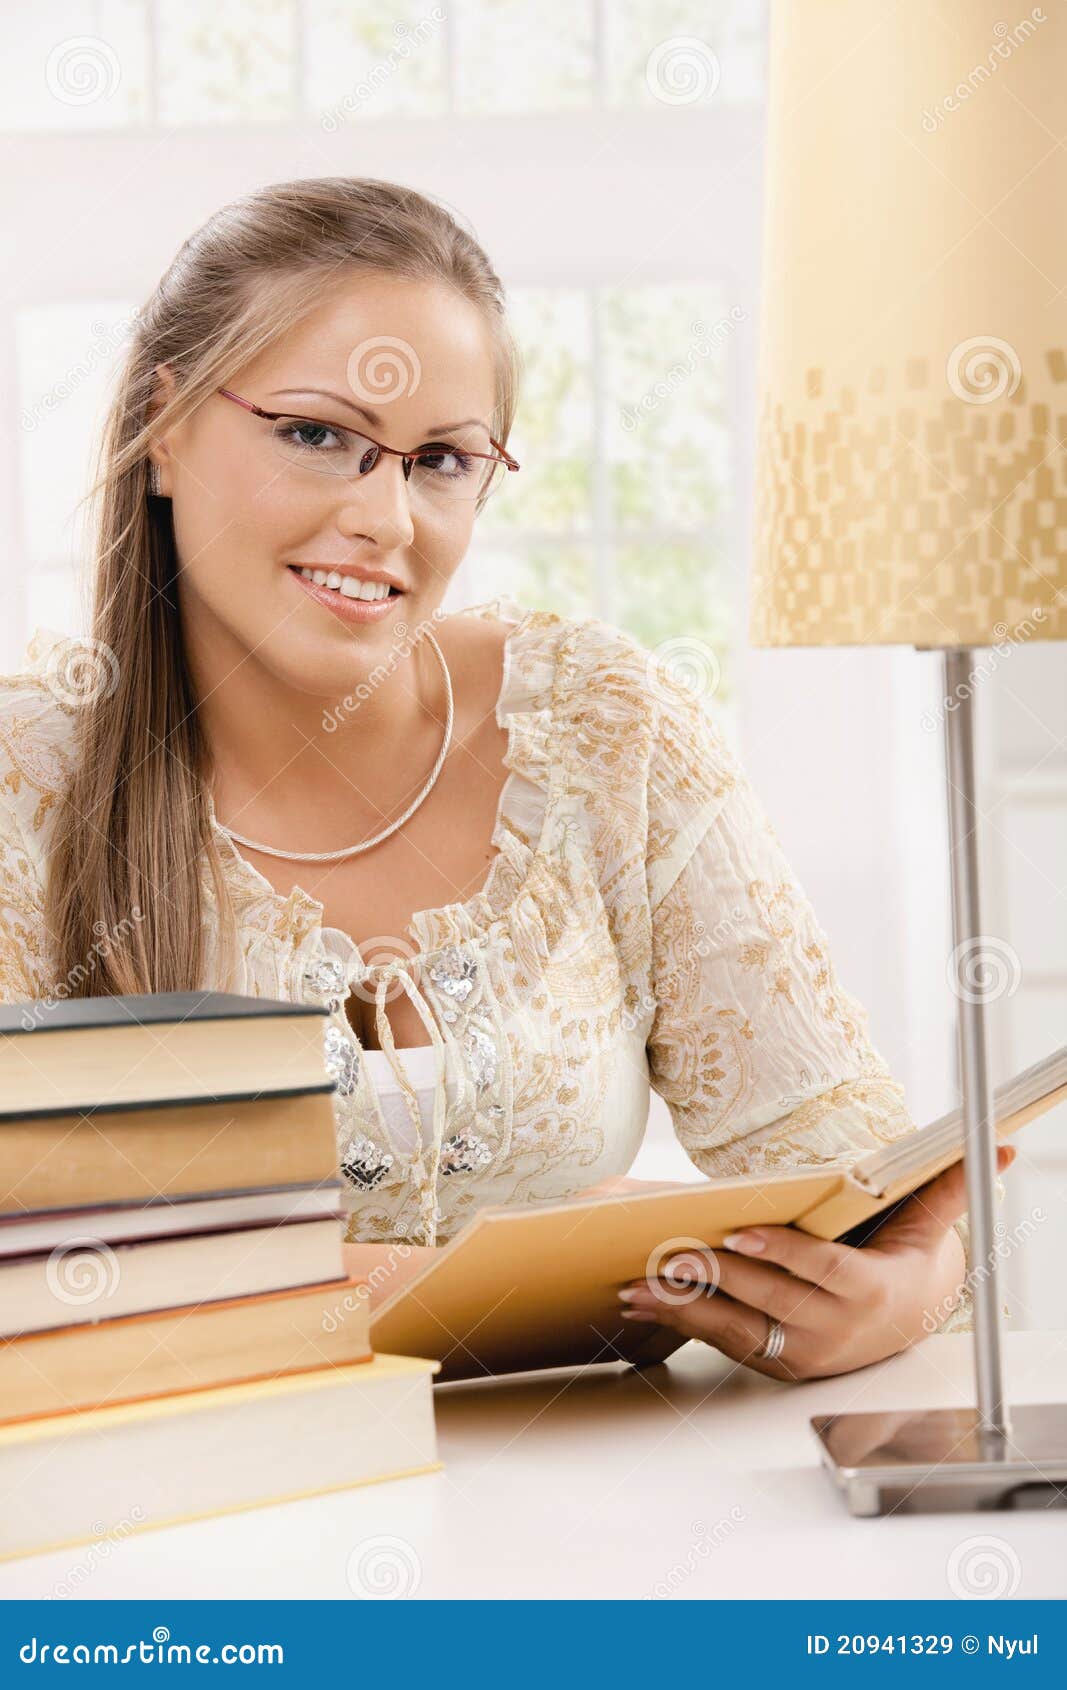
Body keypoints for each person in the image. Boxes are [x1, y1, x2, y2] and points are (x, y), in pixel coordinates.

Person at [0, 176, 1006, 1382]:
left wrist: (901, 1286)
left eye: (439, 460)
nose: (386, 518)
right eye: (317, 435)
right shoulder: (30, 788)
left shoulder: (603, 729)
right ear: (164, 428)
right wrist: (558, 1271)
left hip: (604, 1520)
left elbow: (852, 1171)